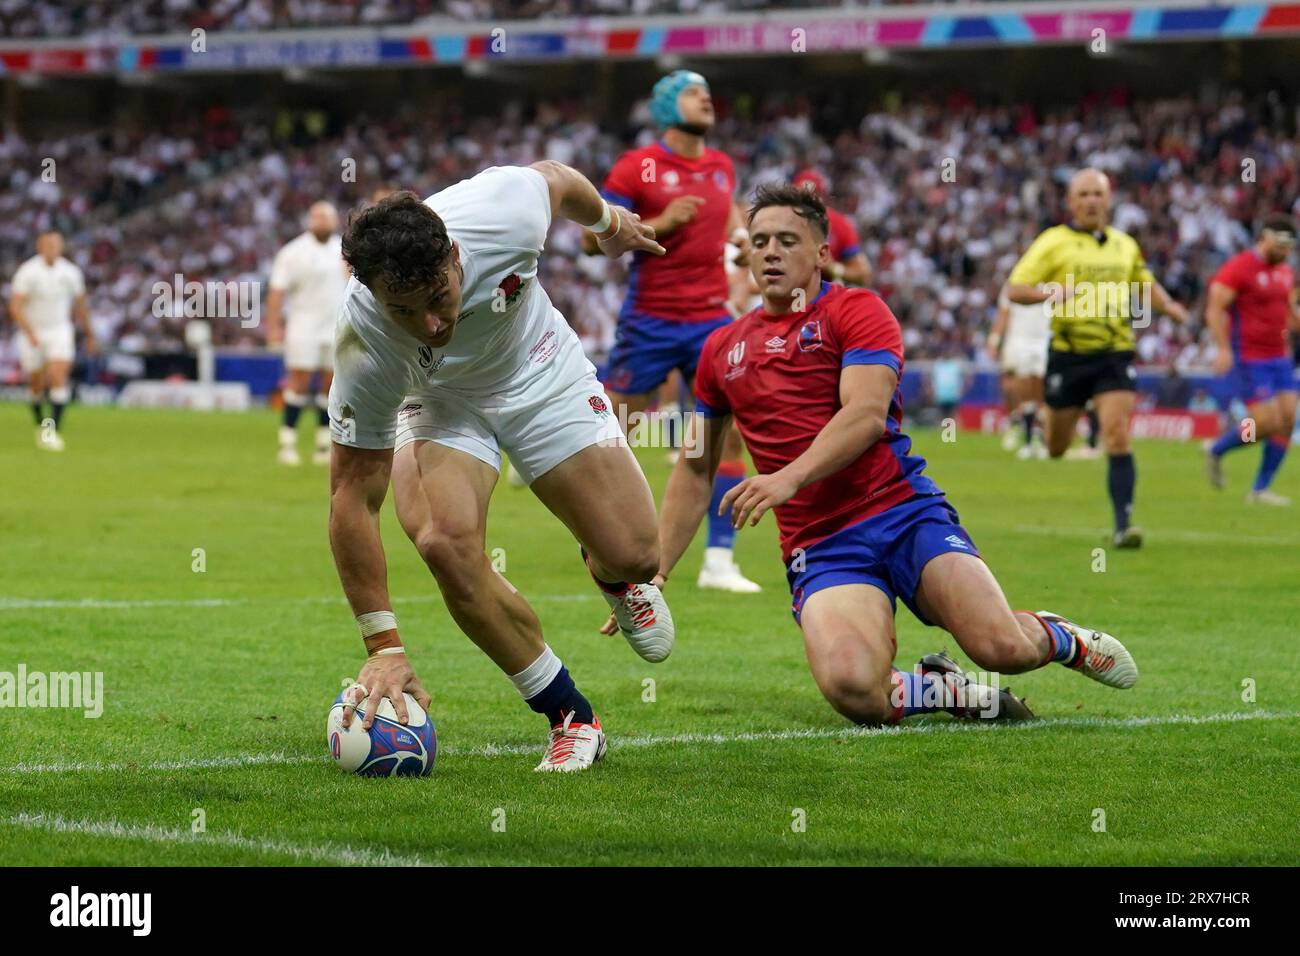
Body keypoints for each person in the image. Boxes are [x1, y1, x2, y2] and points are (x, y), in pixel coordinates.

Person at [656, 184, 1137, 726]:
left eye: (787, 240)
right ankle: (950, 692)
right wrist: (656, 573)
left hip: (902, 512)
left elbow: (863, 415)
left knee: (1002, 649)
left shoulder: (858, 311)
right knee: (855, 691)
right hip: (822, 543)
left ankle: (1060, 637)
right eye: (760, 240)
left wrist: (787, 478)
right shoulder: (722, 350)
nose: (770, 251)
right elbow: (696, 466)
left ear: (820, 253)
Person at [328, 164, 676, 773]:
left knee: (639, 553)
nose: (429, 325)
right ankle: (571, 716)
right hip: (440, 402)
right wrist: (383, 647)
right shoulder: (366, 341)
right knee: (443, 541)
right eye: (402, 310)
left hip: (538, 368)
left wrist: (610, 222)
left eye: (437, 298)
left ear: (457, 255)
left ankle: (614, 573)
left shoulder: (503, 212)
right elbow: (354, 498)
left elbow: (559, 181)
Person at [586, 70, 760, 593]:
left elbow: (731, 222)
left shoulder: (722, 166)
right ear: (665, 106)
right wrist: (660, 223)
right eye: (692, 92)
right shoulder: (637, 166)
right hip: (650, 320)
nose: (706, 99)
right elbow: (593, 239)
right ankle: (602, 542)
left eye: (709, 91)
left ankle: (719, 562)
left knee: (726, 439)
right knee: (607, 435)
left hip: (711, 318)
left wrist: (744, 240)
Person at [1006, 168, 1189, 548]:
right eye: (1083, 194)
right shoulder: (1052, 241)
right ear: (1071, 202)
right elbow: (1015, 289)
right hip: (1068, 353)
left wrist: (1169, 306)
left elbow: (1144, 282)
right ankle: (1045, 425)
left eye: (1097, 194)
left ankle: (1124, 525)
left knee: (1117, 435)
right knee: (1057, 446)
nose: (1091, 200)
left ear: (1108, 200)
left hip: (1114, 352)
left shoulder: (1125, 245)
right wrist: (1050, 293)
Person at [1203, 215, 1299, 505]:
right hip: (1249, 356)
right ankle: (1218, 448)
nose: (1284, 251)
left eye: (1289, 247)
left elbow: (1286, 311)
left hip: (1279, 357)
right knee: (1266, 423)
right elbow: (1215, 309)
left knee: (1287, 421)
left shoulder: (1285, 272)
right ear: (1263, 238)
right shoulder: (1239, 267)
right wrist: (1222, 348)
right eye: (1279, 245)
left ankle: (1259, 490)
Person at [266, 201, 349, 466]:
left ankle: (324, 445)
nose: (321, 221)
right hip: (303, 326)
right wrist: (273, 327)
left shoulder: (345, 251)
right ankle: (287, 442)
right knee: (299, 382)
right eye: (316, 216)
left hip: (336, 326)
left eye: (326, 216)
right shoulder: (293, 252)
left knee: (330, 385)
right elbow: (277, 292)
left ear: (335, 221)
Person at [9, 231, 93, 451]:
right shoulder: (28, 272)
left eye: (56, 245)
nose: (52, 249)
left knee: (57, 376)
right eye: (48, 245)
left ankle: (51, 430)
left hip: (60, 330)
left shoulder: (71, 272)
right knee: (36, 384)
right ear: (40, 247)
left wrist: (90, 334)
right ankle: (41, 425)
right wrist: (29, 332)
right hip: (33, 331)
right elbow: (16, 306)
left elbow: (81, 306)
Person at [987, 282, 1049, 459]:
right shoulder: (1013, 284)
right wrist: (994, 339)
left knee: (1040, 393)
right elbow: (1003, 314)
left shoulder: (1054, 280)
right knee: (1019, 389)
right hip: (1019, 341)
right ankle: (1025, 435)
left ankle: (1038, 437)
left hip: (1044, 340)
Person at [792, 169, 872, 287]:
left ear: (821, 199)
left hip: (825, 295)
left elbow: (864, 274)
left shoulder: (838, 224)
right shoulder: (782, 222)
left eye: (809, 198)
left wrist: (832, 268)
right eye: (798, 196)